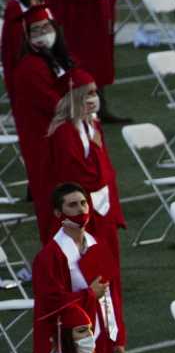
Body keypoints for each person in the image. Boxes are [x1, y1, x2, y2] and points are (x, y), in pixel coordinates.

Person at [32, 181, 122, 353]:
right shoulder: (49, 257)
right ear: (58, 213)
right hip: (73, 341)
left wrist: (118, 338)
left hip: (102, 335)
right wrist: (89, 295)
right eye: (72, 205)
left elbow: (111, 294)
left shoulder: (97, 244)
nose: (81, 210)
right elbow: (50, 304)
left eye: (83, 203)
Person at [41, 75, 122, 244]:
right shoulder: (64, 132)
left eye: (95, 92)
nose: (93, 98)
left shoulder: (90, 123)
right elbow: (73, 173)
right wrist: (96, 152)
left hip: (98, 202)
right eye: (88, 94)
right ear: (75, 97)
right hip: (80, 205)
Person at [7, 3, 72, 212]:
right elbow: (54, 103)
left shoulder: (56, 60)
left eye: (47, 27)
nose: (43, 33)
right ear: (27, 36)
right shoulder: (30, 67)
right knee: (54, 200)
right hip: (45, 138)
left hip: (60, 134)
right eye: (36, 29)